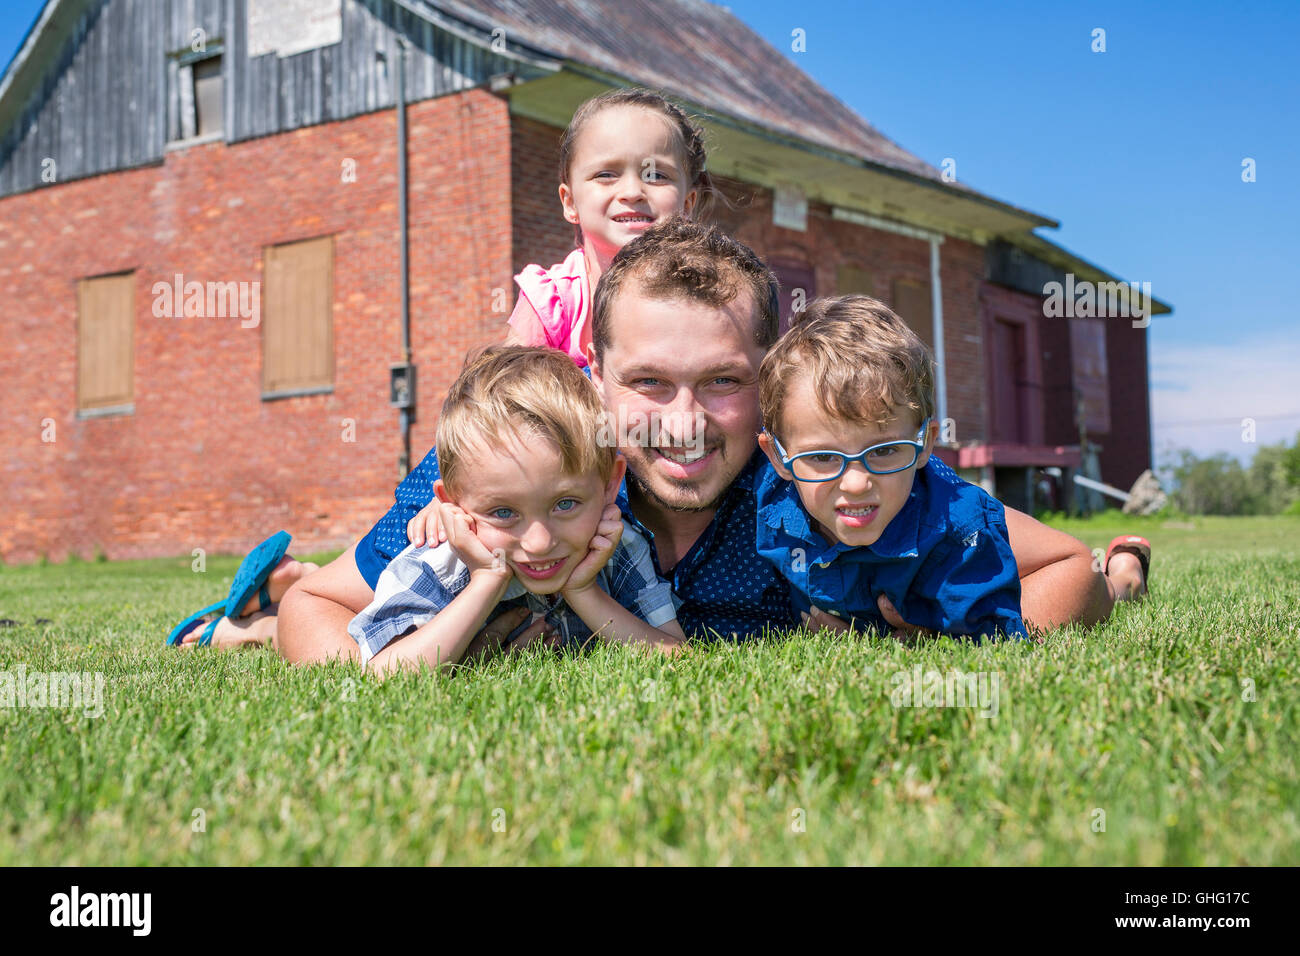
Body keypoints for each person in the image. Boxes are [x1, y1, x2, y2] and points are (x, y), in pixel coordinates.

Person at [317, 218, 1146, 667]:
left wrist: (987, 645)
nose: (683, 420)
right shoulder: (524, 472)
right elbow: (317, 609)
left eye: (723, 381)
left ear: (774, 381)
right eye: (647, 383)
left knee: (1107, 578)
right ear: (594, 375)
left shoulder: (832, 471)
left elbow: (1060, 566)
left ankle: (1132, 567)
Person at [348, 346, 684, 676]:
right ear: (451, 503)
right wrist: (486, 580)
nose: (539, 543)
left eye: (565, 504)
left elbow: (678, 659)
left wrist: (584, 592)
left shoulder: (617, 547)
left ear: (611, 484)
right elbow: (383, 678)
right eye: (504, 512)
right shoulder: (440, 563)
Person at [755, 295, 1028, 640]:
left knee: (1109, 583)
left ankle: (1118, 572)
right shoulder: (763, 496)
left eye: (884, 451)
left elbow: (996, 643)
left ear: (926, 442)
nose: (855, 483)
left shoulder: (962, 535)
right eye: (823, 457)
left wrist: (927, 640)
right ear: (777, 457)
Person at [502, 87, 712, 368]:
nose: (632, 191)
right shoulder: (554, 301)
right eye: (606, 175)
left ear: (687, 204)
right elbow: (504, 399)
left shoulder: (706, 293)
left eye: (656, 175)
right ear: (570, 202)